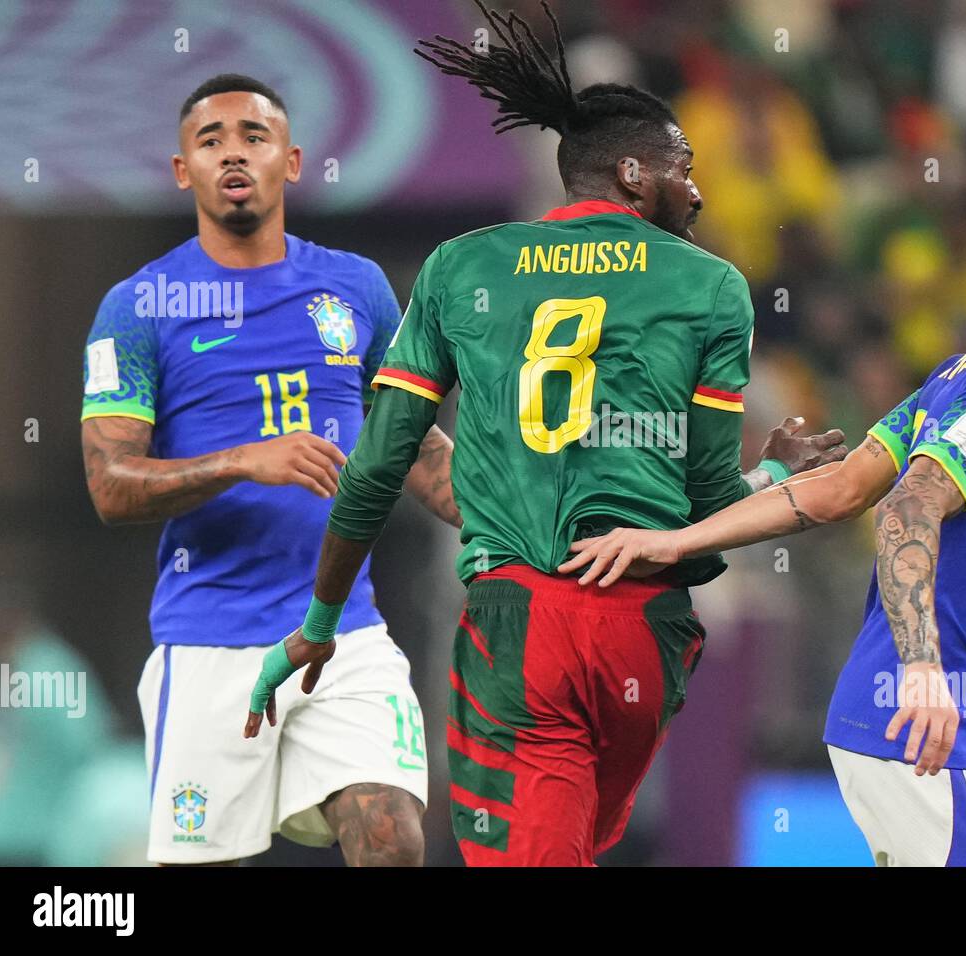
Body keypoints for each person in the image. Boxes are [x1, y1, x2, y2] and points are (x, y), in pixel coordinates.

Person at [244, 2, 847, 866]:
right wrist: (773, 478)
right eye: (686, 169)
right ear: (635, 176)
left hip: (517, 625)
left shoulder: (462, 266)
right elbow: (711, 509)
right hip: (647, 635)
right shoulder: (713, 287)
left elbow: (378, 464)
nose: (700, 189)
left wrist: (321, 616)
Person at [563, 179, 966, 866]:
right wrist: (921, 671)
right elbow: (908, 503)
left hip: (959, 732)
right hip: (929, 733)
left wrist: (676, 542)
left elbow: (843, 488)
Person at [81, 73, 458, 866]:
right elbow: (111, 487)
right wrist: (244, 460)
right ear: (183, 171)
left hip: (341, 632)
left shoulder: (356, 290)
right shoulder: (138, 306)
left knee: (391, 836)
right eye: (209, 140)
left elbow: (416, 451)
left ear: (291, 161)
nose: (232, 153)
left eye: (252, 136)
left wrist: (530, 522)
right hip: (210, 641)